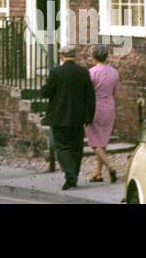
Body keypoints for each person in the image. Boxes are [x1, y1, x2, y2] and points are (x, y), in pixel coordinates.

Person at [40, 43, 97, 190]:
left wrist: (44, 87)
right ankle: (73, 177)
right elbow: (90, 96)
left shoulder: (56, 72)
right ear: (74, 56)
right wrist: (89, 117)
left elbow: (46, 92)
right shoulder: (83, 72)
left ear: (62, 56)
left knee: (61, 146)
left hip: (59, 117)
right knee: (76, 147)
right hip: (78, 118)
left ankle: (70, 173)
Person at [84, 45, 120, 183]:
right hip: (109, 106)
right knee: (103, 140)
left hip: (95, 106)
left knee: (94, 141)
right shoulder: (114, 72)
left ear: (94, 57)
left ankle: (110, 167)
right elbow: (116, 92)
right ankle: (98, 173)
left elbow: (87, 92)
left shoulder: (91, 73)